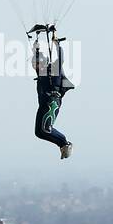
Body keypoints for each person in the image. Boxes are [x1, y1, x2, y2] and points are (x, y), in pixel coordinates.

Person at [30, 26, 74, 159]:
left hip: (52, 102)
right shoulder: (41, 72)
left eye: (36, 64)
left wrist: (57, 44)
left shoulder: (53, 69)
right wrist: (36, 45)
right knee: (38, 132)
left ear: (42, 63)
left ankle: (64, 143)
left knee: (45, 129)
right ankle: (62, 144)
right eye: (34, 64)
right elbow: (37, 56)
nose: (35, 66)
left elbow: (60, 59)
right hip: (44, 102)